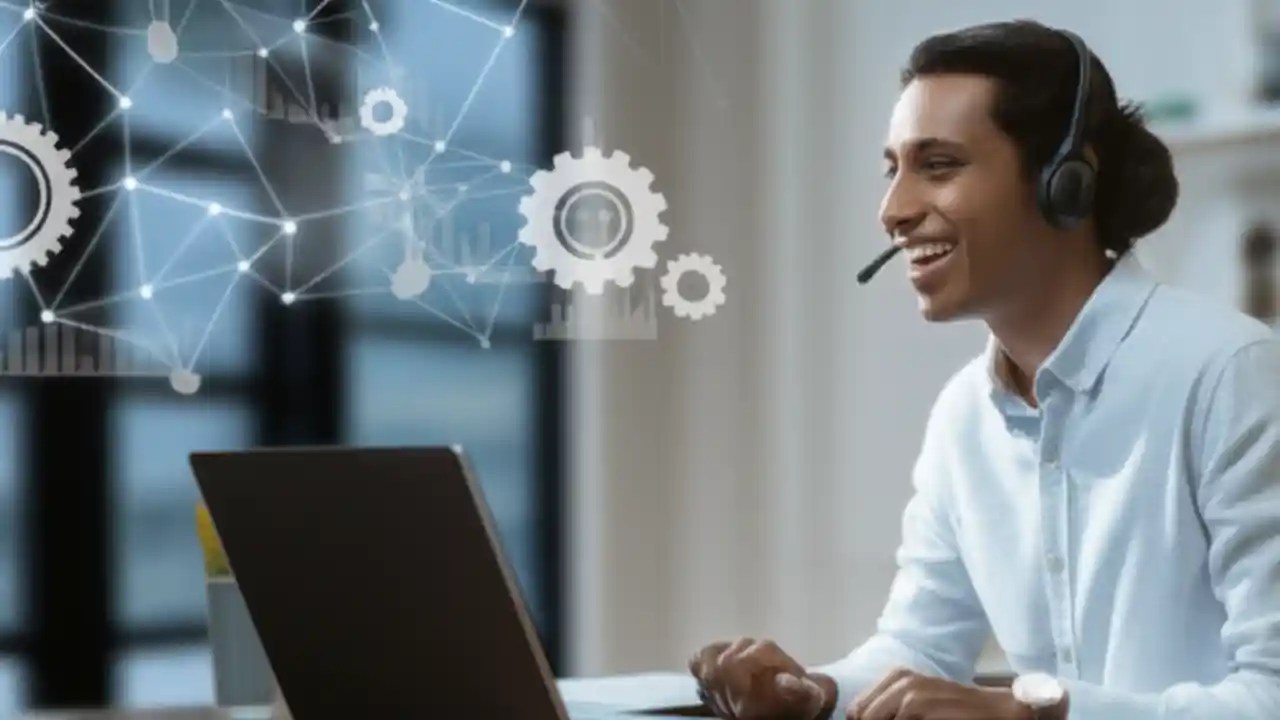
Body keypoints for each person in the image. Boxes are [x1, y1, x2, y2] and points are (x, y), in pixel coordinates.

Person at [688, 19, 1280, 720]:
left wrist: (1038, 714)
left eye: (937, 166)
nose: (894, 210)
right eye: (893, 169)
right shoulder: (964, 415)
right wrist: (814, 694)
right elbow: (918, 650)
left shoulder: (1231, 377)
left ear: (1067, 183)